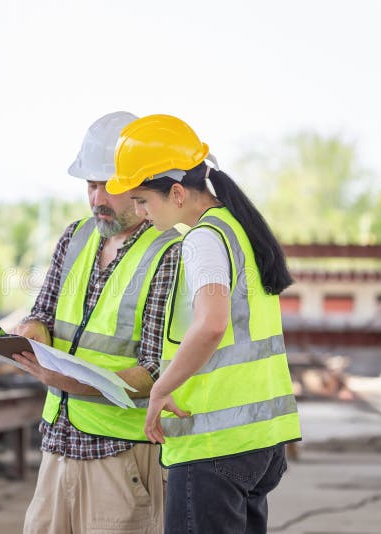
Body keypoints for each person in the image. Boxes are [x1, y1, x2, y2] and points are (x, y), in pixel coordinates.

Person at [106, 114, 302, 534]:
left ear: (176, 192)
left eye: (144, 200)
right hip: (259, 440)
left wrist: (160, 387)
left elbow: (212, 324)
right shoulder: (238, 229)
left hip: (216, 443)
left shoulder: (202, 240)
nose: (140, 211)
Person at [11, 111, 181, 533]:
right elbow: (43, 312)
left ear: (142, 185)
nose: (98, 199)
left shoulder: (170, 252)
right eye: (91, 185)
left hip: (121, 458)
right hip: (58, 445)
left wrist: (69, 380)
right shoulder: (76, 236)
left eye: (112, 187)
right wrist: (31, 334)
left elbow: (157, 371)